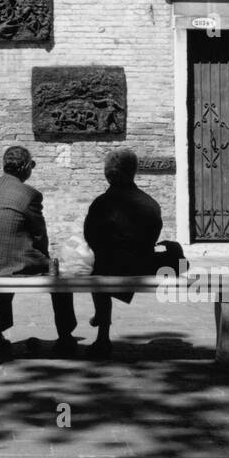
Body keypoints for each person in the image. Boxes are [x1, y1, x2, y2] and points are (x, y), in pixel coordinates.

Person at [0, 145, 78, 358]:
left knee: (4, 262)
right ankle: (66, 335)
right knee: (59, 277)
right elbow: (39, 235)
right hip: (12, 262)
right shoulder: (30, 195)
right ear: (26, 168)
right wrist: (45, 259)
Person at [83, 148, 183, 358]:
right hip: (142, 265)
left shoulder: (101, 204)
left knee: (98, 271)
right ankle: (100, 320)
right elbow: (153, 236)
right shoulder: (150, 203)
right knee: (103, 269)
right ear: (133, 172)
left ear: (107, 174)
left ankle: (103, 335)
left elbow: (90, 237)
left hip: (109, 267)